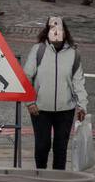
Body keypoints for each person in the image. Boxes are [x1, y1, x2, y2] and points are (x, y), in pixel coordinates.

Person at [23, 16, 89, 171]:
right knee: (42, 145)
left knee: (61, 147)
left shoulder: (74, 53)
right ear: (47, 32)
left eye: (60, 29)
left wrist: (82, 105)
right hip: (40, 109)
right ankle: (41, 174)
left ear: (65, 32)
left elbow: (78, 81)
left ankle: (58, 178)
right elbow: (26, 77)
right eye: (52, 29)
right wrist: (30, 102)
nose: (56, 32)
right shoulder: (38, 50)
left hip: (66, 110)